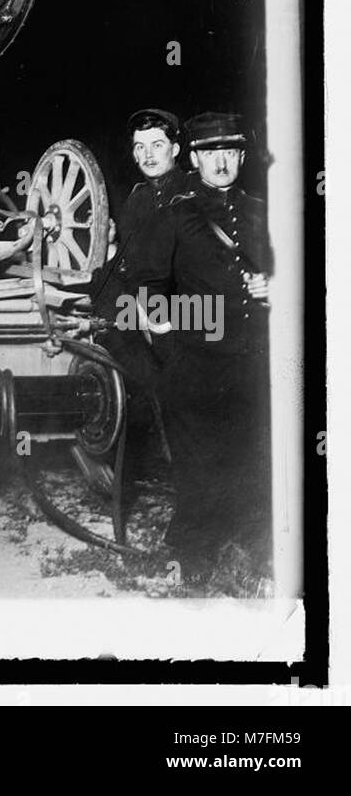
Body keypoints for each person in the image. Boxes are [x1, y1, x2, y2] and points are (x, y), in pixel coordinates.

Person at [144, 112, 272, 583]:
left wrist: (275, 286)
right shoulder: (174, 215)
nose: (220, 161)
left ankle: (249, 549)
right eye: (209, 152)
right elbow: (149, 289)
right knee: (198, 466)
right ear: (194, 158)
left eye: (229, 151)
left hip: (252, 360)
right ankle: (190, 555)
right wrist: (170, 354)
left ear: (240, 156)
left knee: (249, 457)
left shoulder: (262, 211)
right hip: (194, 363)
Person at [72, 108, 188, 499]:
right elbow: (124, 265)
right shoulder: (139, 197)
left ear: (176, 147)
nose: (148, 155)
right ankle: (119, 470)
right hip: (135, 308)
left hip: (178, 313)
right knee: (117, 368)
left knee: (161, 387)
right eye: (140, 147)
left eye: (157, 145)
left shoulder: (190, 196)